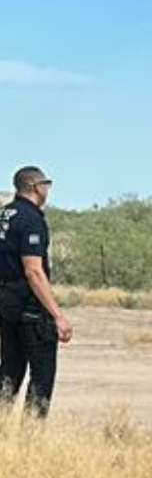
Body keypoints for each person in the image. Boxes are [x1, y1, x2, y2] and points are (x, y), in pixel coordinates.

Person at [1, 166, 69, 417]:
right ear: (34, 187)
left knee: (11, 368)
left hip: (6, 303)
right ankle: (32, 430)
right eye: (46, 184)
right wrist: (57, 316)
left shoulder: (4, 215)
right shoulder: (31, 219)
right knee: (42, 373)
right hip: (29, 307)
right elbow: (33, 271)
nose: (48, 190)